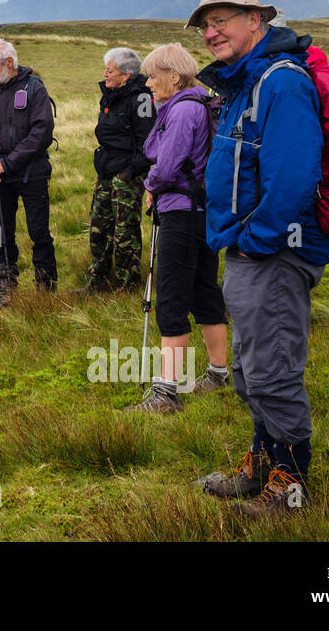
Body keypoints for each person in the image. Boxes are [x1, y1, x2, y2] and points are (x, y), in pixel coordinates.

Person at [187, 0, 329, 516]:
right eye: (205, 24)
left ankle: (290, 488)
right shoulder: (246, 81)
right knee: (249, 370)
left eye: (222, 19)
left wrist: (256, 240)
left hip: (274, 252)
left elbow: (294, 177)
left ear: (256, 20)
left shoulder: (280, 82)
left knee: (271, 372)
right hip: (249, 251)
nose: (211, 32)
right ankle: (261, 463)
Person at [123, 43, 230, 414]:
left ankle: (167, 393)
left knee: (170, 298)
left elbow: (167, 166)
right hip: (201, 212)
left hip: (180, 214)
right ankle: (218, 373)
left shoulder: (183, 109)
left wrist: (151, 185)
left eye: (153, 76)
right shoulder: (201, 102)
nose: (149, 83)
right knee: (205, 291)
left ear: (173, 76)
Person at [0, 38, 57, 305]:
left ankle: (45, 286)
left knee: (38, 231)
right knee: (1, 232)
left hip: (32, 174)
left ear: (9, 62)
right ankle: (7, 286)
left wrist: (6, 163)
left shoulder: (34, 90)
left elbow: (41, 134)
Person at [80, 48, 154, 291]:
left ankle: (128, 284)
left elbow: (148, 143)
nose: (105, 74)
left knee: (125, 232)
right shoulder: (109, 96)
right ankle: (97, 281)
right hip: (106, 172)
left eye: (110, 71)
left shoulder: (142, 99)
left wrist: (129, 173)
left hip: (128, 175)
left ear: (126, 74)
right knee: (98, 228)